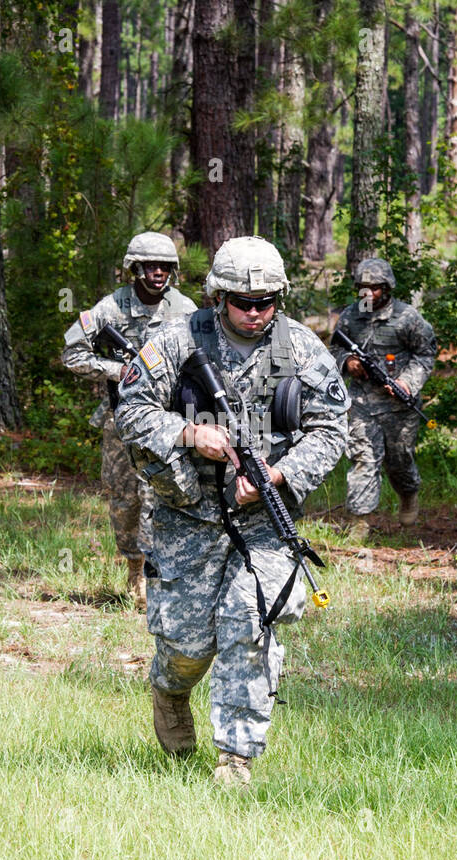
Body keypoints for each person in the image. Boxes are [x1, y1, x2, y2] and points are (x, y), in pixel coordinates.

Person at [114, 236, 349, 786]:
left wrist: (277, 474)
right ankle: (170, 691)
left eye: (265, 301)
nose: (253, 311)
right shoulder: (177, 341)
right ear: (218, 297)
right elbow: (130, 412)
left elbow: (331, 428)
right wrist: (190, 433)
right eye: (241, 301)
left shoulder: (302, 350)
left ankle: (235, 759)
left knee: (250, 622)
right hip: (187, 514)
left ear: (279, 298)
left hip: (263, 520)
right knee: (187, 645)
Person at [62, 232, 198, 612]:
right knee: (124, 498)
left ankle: (156, 576)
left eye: (165, 267)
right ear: (134, 268)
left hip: (166, 419)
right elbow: (72, 353)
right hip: (120, 418)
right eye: (150, 266)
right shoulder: (110, 307)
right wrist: (119, 369)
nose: (158, 273)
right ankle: (133, 567)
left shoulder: (185, 310)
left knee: (158, 493)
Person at [330, 257, 437, 532]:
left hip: (399, 405)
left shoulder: (407, 317)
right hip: (362, 403)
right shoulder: (350, 316)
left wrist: (407, 382)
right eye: (363, 287)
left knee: (399, 460)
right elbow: (333, 351)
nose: (368, 293)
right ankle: (360, 522)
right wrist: (348, 362)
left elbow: (425, 353)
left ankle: (408, 495)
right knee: (363, 459)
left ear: (387, 288)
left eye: (375, 287)